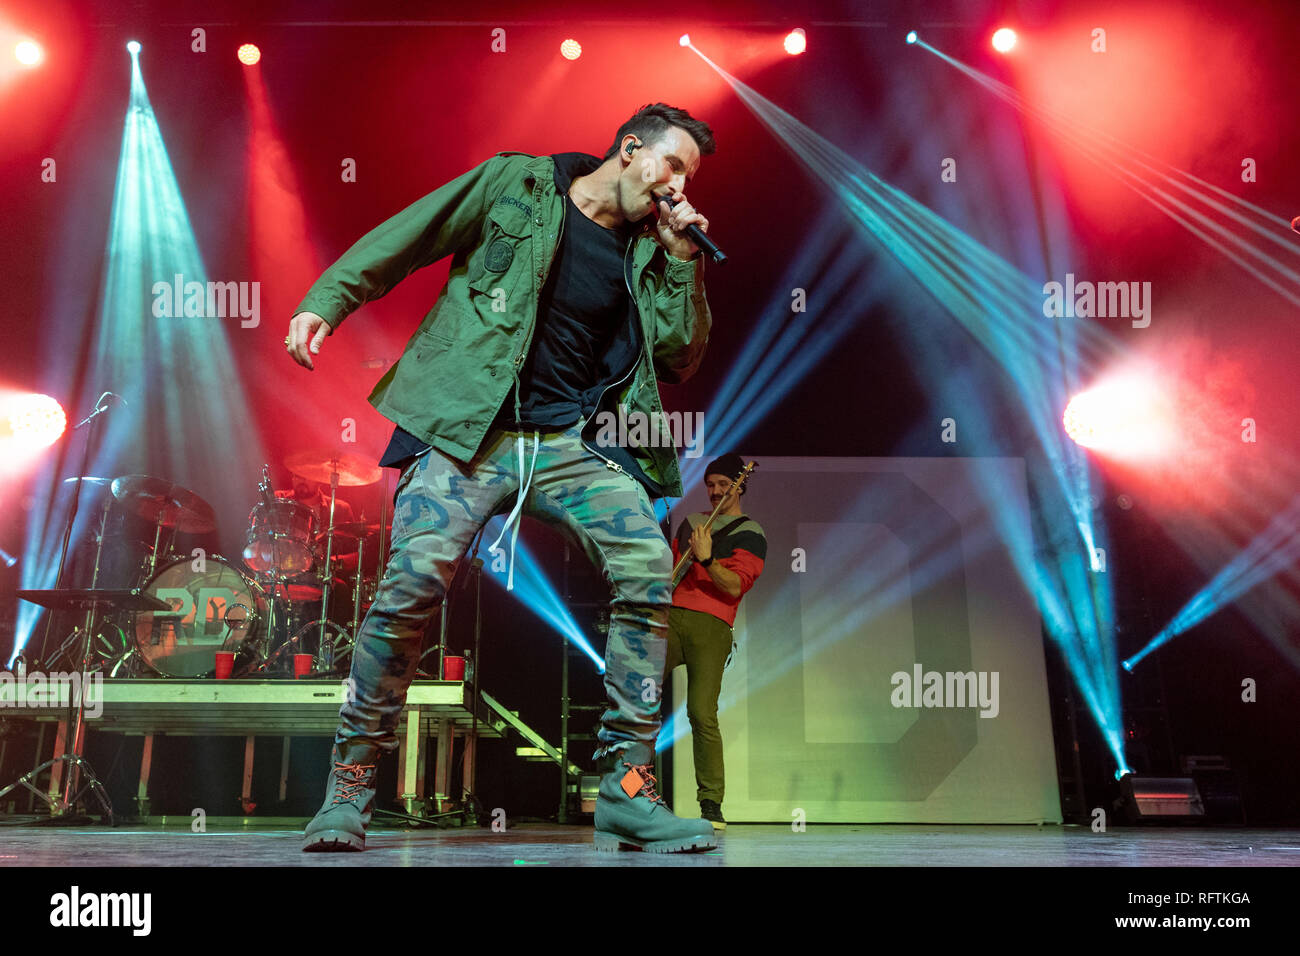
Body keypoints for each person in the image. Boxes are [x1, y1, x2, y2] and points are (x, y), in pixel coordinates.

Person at [285, 103, 719, 853]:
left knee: (648, 565)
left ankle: (626, 784)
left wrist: (683, 258)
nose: (678, 186)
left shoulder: (654, 250)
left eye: (689, 176)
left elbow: (680, 357)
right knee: (409, 588)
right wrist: (329, 299)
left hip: (565, 443)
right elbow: (409, 236)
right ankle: (349, 788)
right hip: (464, 430)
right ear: (629, 150)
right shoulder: (516, 184)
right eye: (672, 165)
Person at [665, 453, 765, 830]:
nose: (716, 492)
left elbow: (736, 585)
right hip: (672, 617)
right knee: (637, 701)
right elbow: (669, 572)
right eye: (710, 485)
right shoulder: (691, 523)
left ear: (740, 485)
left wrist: (707, 561)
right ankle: (629, 792)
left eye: (724, 485)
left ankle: (710, 805)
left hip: (713, 626)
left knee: (701, 713)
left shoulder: (750, 532)